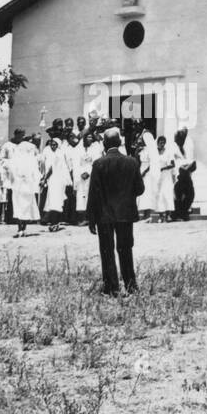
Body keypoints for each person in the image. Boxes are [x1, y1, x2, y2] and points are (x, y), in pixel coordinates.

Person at [86, 126, 145, 295]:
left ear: (104, 144)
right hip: (125, 214)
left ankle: (111, 287)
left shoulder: (98, 164)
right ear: (120, 142)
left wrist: (91, 218)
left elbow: (93, 194)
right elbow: (140, 189)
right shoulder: (132, 162)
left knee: (107, 251)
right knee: (125, 249)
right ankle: (131, 285)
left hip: (104, 216)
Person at [9, 136, 42, 237]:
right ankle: (21, 229)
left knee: (25, 206)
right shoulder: (17, 159)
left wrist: (35, 183)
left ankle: (22, 229)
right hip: (19, 185)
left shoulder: (31, 160)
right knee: (20, 206)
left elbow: (36, 173)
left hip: (27, 186)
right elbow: (12, 171)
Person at [44, 135, 72, 231]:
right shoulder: (50, 153)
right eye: (52, 144)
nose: (53, 146)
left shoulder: (59, 154)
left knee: (55, 202)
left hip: (57, 180)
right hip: (53, 181)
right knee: (54, 202)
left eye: (55, 145)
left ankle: (55, 223)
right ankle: (54, 222)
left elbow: (51, 169)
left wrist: (44, 179)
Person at [172, 128, 196, 221]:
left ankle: (184, 211)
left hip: (187, 174)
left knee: (190, 194)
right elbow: (172, 161)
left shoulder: (187, 146)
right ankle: (177, 213)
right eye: (180, 137)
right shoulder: (173, 147)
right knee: (177, 195)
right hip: (177, 175)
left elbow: (191, 160)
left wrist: (188, 166)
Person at [154, 134, 176, 222]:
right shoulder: (154, 153)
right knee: (159, 195)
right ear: (157, 143)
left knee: (167, 194)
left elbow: (173, 164)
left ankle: (168, 215)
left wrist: (163, 168)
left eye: (163, 143)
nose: (161, 144)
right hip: (157, 176)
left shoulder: (168, 152)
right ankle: (161, 215)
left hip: (166, 176)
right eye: (160, 142)